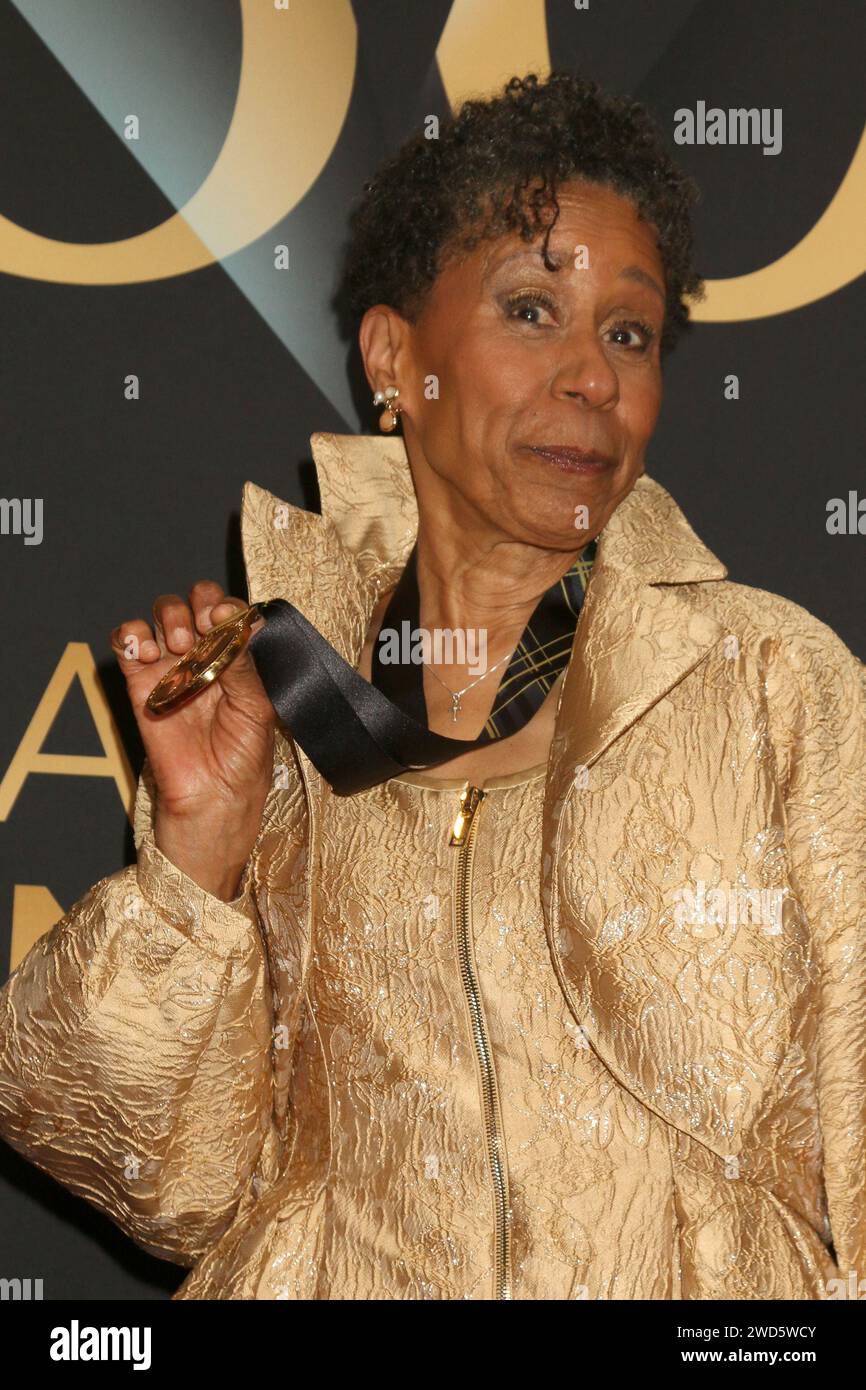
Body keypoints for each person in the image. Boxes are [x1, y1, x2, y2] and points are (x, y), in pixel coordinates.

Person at [1, 71, 864, 1301]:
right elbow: (157, 1176)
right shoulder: (274, 692)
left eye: (627, 332)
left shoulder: (769, 684)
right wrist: (196, 851)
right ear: (394, 359)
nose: (590, 377)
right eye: (530, 310)